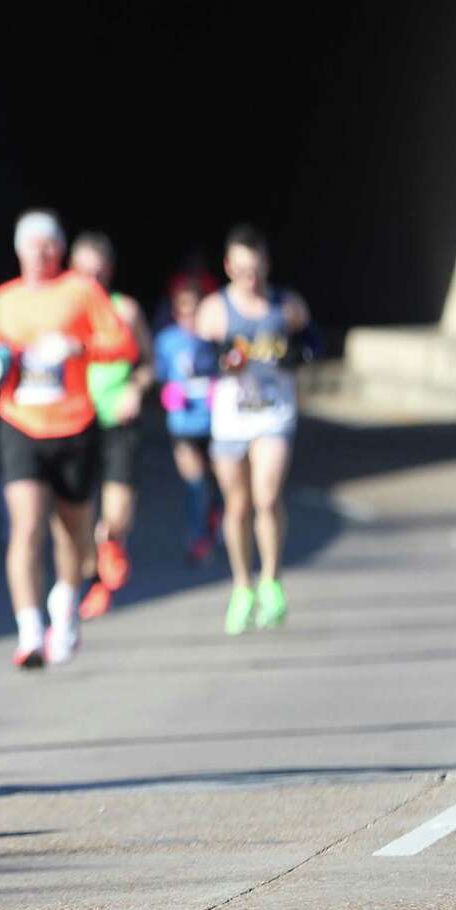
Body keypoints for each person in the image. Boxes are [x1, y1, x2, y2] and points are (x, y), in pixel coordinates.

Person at [0, 210, 138, 667]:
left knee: (73, 530)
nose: (41, 252)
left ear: (59, 249)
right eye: (32, 244)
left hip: (74, 424)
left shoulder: (82, 292)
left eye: (49, 244)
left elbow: (123, 344)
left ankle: (64, 609)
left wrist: (79, 348)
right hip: (19, 422)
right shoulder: (3, 299)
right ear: (19, 250)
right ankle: (29, 631)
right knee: (25, 528)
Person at [195, 223, 310, 635]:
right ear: (228, 267)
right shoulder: (214, 309)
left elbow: (311, 346)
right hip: (231, 418)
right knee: (238, 505)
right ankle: (242, 584)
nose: (251, 278)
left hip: (274, 413)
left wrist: (293, 355)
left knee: (268, 495)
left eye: (256, 269)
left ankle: (272, 579)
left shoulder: (287, 304)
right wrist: (225, 361)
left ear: (266, 265)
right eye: (242, 269)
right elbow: (199, 362)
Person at [67, 232, 153, 620]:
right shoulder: (62, 311)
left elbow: (149, 364)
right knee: (80, 515)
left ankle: (110, 552)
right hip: (74, 422)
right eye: (84, 273)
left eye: (98, 274)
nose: (92, 282)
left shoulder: (127, 311)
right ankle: (94, 581)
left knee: (115, 515)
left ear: (110, 273)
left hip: (118, 420)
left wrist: (135, 389)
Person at [154, 276, 221, 564]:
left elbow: (234, 366)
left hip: (216, 423)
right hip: (183, 425)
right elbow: (157, 375)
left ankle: (215, 520)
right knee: (195, 484)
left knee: (220, 483)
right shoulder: (167, 341)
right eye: (183, 310)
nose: (189, 317)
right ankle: (198, 539)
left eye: (195, 310)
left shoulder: (215, 338)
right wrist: (166, 393)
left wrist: (220, 387)